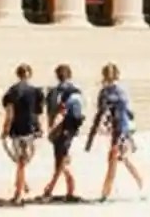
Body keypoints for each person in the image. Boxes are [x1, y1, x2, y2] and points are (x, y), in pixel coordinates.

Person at [87, 63, 144, 202]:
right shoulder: (120, 91)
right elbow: (128, 113)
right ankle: (140, 183)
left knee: (113, 160)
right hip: (121, 128)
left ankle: (106, 191)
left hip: (119, 129)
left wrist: (92, 136)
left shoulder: (107, 93)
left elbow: (101, 114)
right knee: (123, 159)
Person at [1, 63, 45, 203]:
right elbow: (38, 113)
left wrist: (5, 129)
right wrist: (39, 127)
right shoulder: (36, 92)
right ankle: (19, 189)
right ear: (29, 74)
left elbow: (9, 113)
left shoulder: (11, 92)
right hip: (30, 128)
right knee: (23, 160)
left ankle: (20, 186)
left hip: (16, 129)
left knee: (20, 160)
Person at [41, 64, 84, 202]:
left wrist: (51, 128)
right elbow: (76, 114)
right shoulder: (74, 92)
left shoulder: (52, 92)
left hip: (55, 128)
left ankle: (56, 189)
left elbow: (49, 112)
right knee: (62, 160)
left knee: (60, 159)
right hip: (66, 129)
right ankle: (62, 190)